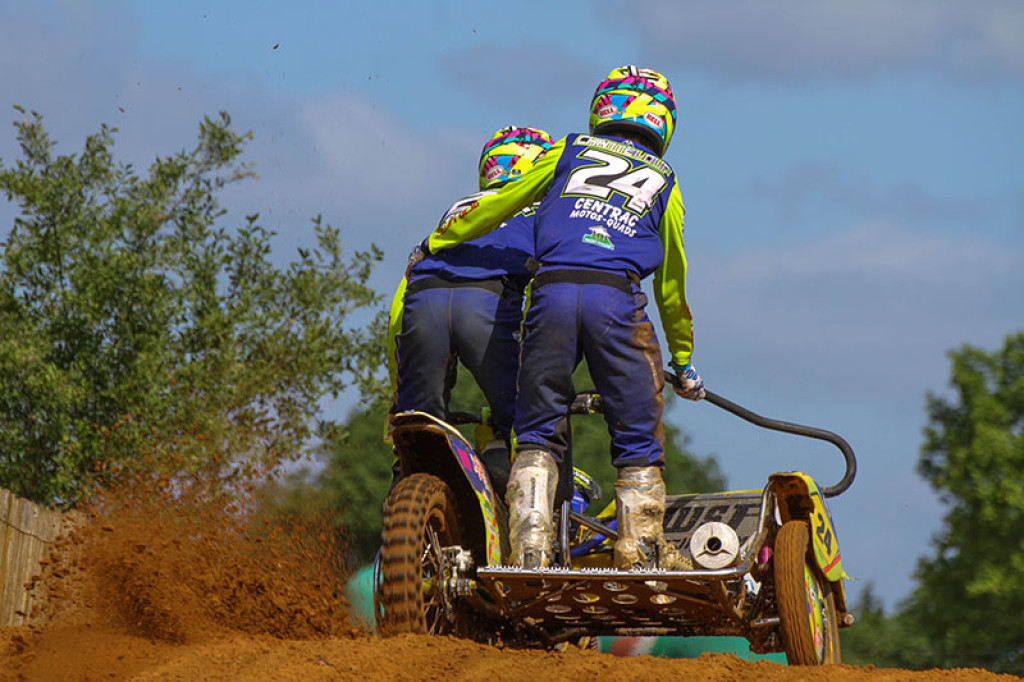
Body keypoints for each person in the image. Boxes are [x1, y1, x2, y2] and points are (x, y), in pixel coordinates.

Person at [413, 65, 705, 571]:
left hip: (550, 293)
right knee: (637, 424)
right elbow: (673, 280)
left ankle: (529, 546)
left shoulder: (569, 149)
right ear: (664, 121)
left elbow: (502, 201)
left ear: (602, 108)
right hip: (616, 300)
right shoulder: (665, 180)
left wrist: (439, 241)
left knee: (538, 423)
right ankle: (641, 549)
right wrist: (683, 358)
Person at [387, 126, 554, 494]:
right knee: (531, 424)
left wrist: (399, 389)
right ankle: (540, 521)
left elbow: (400, 300)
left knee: (419, 430)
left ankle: (404, 508)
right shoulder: (545, 212)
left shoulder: (459, 208)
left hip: (422, 300)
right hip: (488, 302)